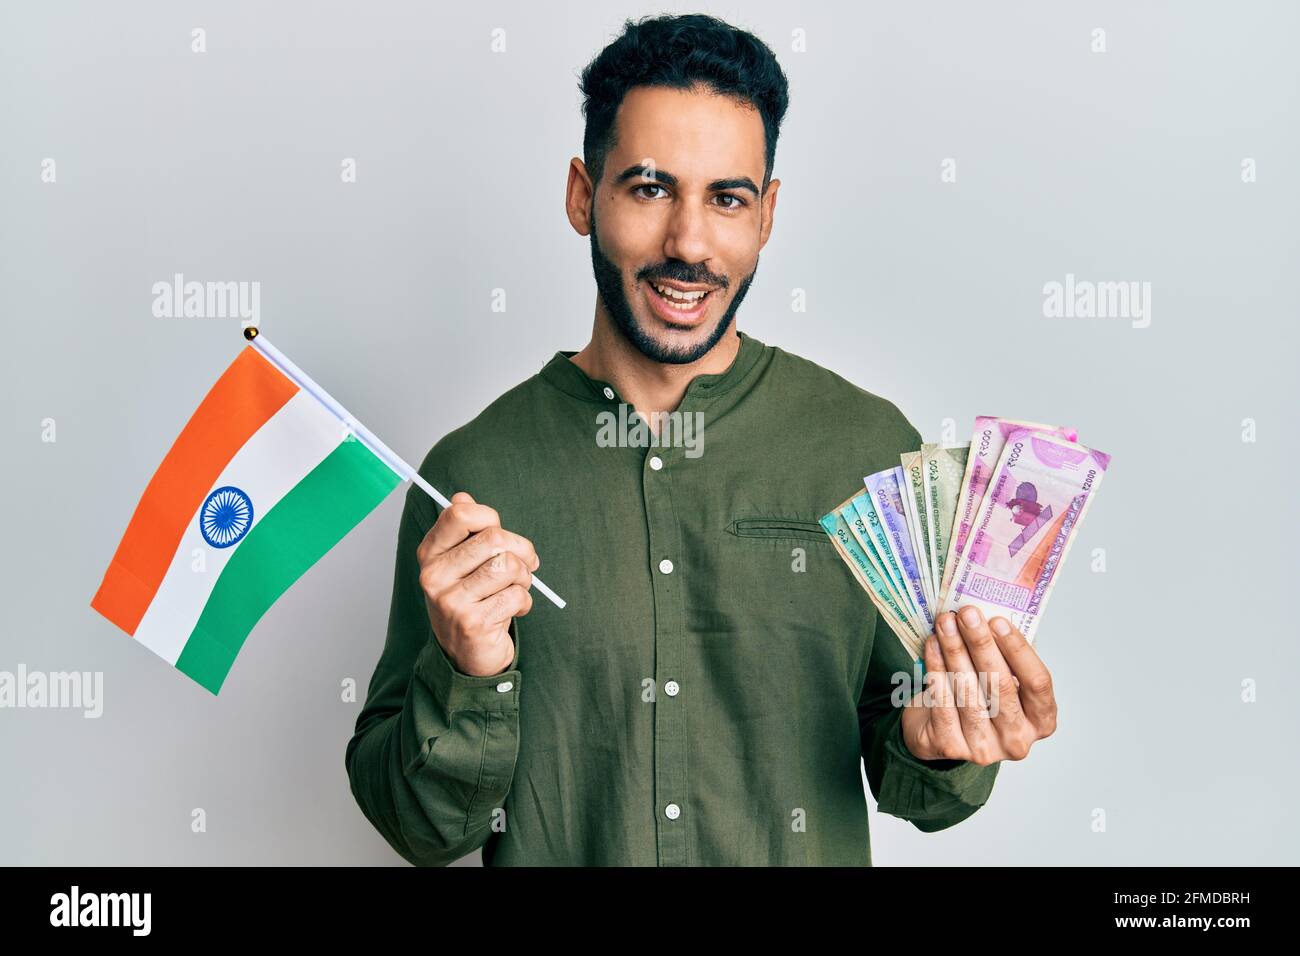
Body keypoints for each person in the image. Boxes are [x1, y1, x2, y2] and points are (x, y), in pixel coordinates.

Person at [345, 12, 1057, 867]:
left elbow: (914, 782)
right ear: (582, 194)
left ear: (766, 216)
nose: (689, 243)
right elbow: (418, 827)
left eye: (727, 198)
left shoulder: (867, 450)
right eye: (649, 188)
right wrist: (469, 672)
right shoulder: (471, 478)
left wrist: (948, 734)